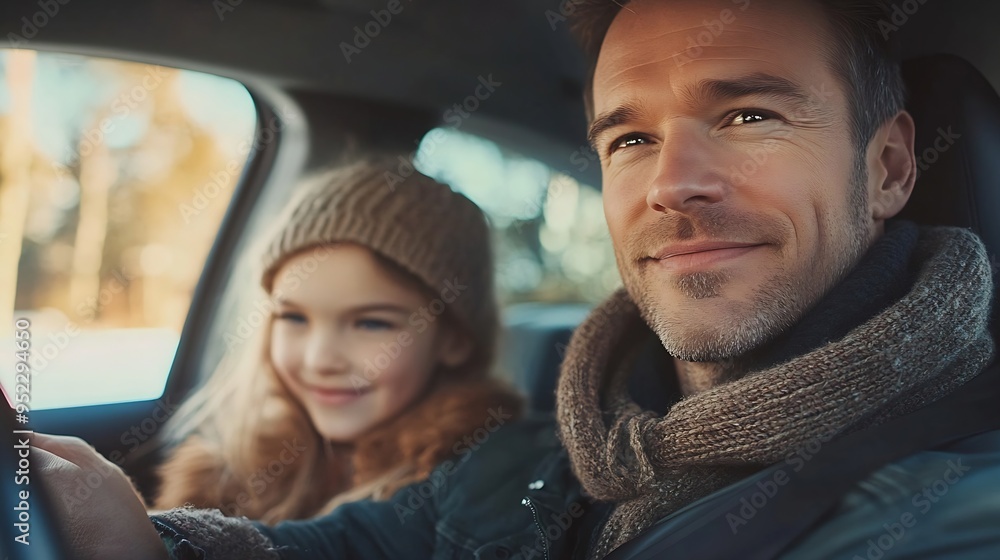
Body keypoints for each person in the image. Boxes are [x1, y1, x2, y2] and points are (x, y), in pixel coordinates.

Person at [33, 0, 1000, 558]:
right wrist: (147, 543)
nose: (671, 184)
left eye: (748, 115)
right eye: (629, 138)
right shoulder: (542, 451)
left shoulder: (951, 507)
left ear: (889, 168)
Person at [149, 156, 521, 524]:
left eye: (371, 324)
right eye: (293, 317)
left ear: (454, 340)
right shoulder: (227, 477)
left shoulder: (472, 491)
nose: (319, 360)